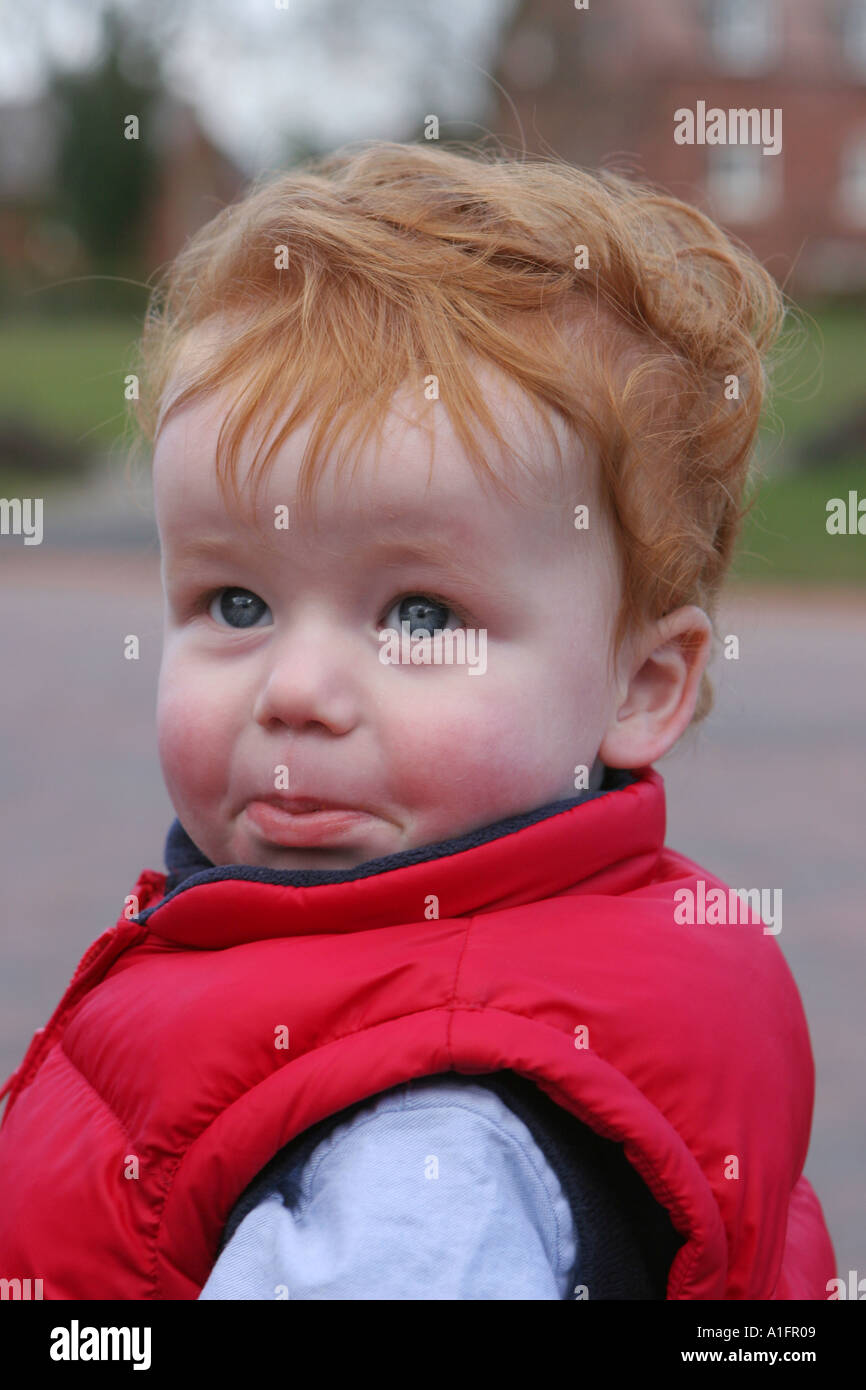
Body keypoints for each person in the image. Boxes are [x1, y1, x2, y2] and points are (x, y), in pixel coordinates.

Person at [0, 141, 836, 1299]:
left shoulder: (430, 1150)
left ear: (642, 686)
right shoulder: (436, 950)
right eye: (235, 601)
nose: (296, 689)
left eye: (419, 613)